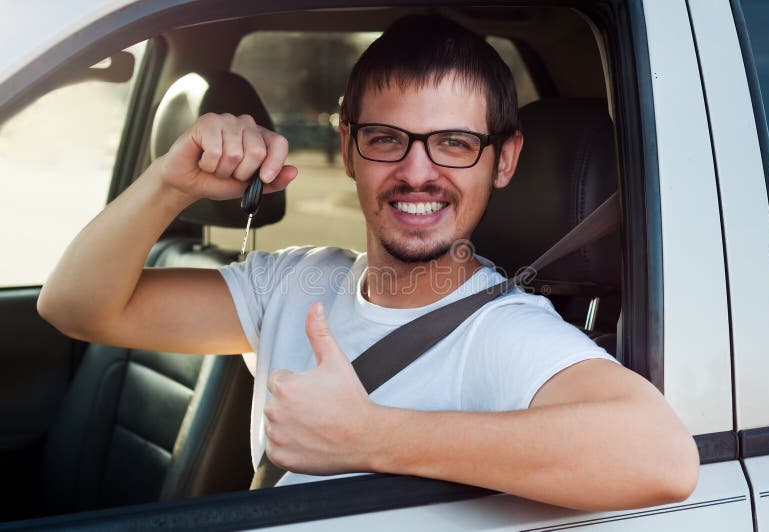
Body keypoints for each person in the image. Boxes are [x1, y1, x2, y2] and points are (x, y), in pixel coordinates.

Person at [38, 15, 698, 510]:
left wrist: (369, 436)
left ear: (505, 160)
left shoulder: (505, 333)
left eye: (454, 143)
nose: (418, 173)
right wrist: (169, 183)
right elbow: (76, 308)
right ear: (348, 147)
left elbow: (663, 457)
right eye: (386, 139)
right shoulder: (294, 280)